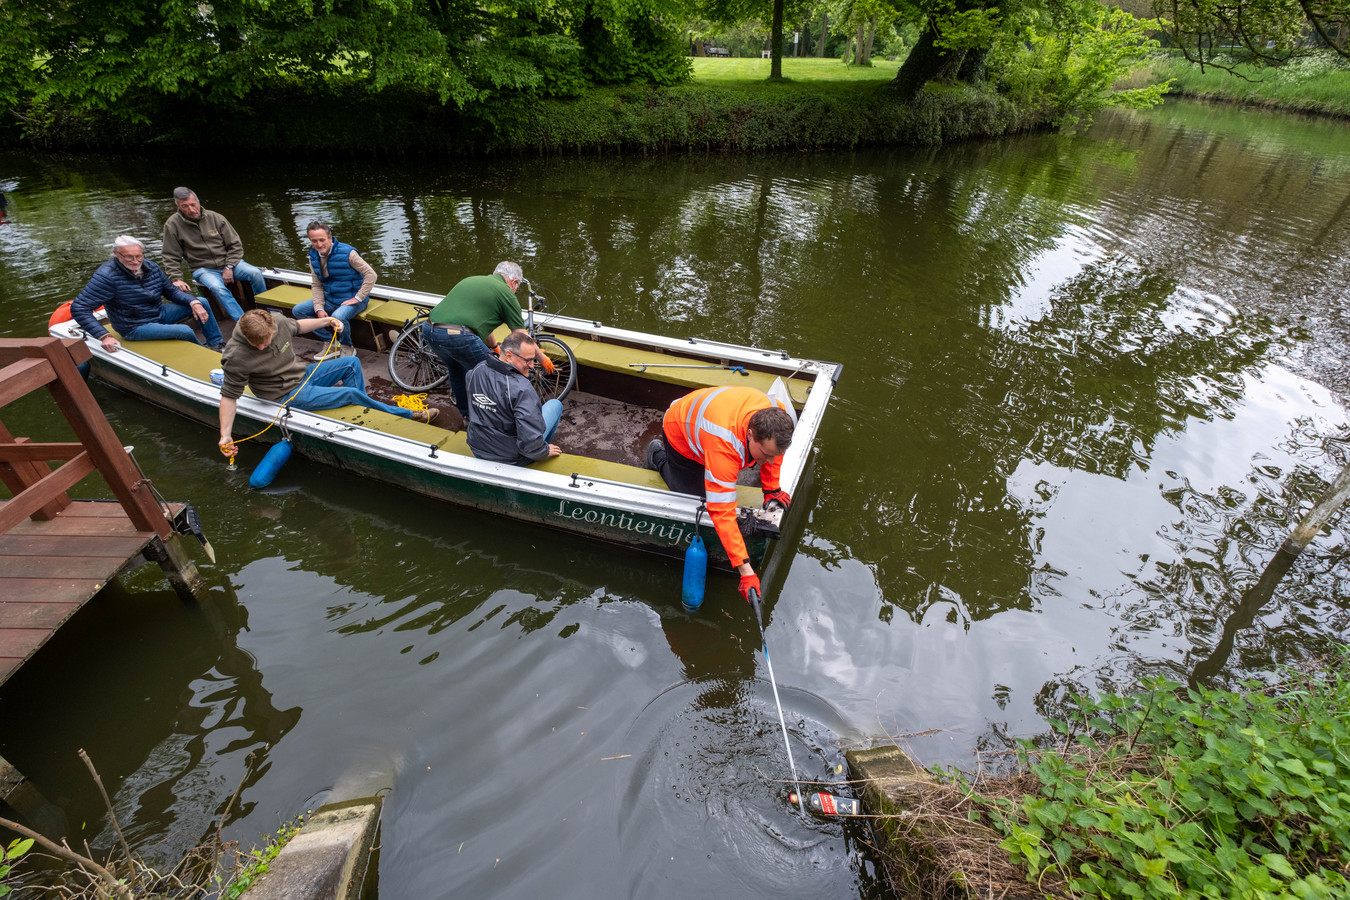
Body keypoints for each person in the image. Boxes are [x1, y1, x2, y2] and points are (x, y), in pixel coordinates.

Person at [646, 386, 795, 606]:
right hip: (680, 432)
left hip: (707, 424)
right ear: (750, 434)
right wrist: (745, 570)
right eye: (764, 454)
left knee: (740, 468)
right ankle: (657, 454)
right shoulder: (723, 443)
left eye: (774, 455)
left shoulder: (777, 416)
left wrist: (772, 489)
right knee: (694, 495)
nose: (771, 461)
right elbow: (722, 512)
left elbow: (776, 453)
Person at [218, 309, 438, 454]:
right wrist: (225, 435)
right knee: (349, 394)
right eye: (256, 346)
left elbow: (298, 326)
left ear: (273, 328)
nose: (261, 348)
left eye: (266, 343)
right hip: (283, 394)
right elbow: (229, 396)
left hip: (301, 374)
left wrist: (327, 320)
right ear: (246, 337)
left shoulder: (279, 322)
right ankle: (408, 415)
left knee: (351, 362)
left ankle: (361, 416)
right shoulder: (236, 356)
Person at [422, 261, 553, 419]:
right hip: (458, 336)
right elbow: (520, 335)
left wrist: (495, 347)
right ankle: (503, 421)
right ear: (515, 282)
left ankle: (468, 417)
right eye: (517, 287)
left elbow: (480, 325)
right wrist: (542, 358)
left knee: (456, 371)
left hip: (429, 330)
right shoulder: (506, 292)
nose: (516, 291)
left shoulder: (472, 280)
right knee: (498, 374)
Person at [72, 235, 224, 353]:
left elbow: (170, 291)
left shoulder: (150, 266)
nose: (135, 261)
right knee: (184, 330)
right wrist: (104, 336)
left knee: (201, 302)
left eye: (139, 256)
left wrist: (193, 303)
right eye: (129, 257)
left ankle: (216, 344)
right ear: (117, 254)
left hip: (156, 313)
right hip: (134, 326)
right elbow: (79, 308)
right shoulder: (106, 276)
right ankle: (204, 353)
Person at [161, 187, 268, 321]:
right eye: (185, 206)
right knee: (218, 288)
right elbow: (170, 255)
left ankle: (265, 313)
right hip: (203, 269)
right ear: (178, 206)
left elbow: (235, 245)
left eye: (193, 204)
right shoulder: (172, 225)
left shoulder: (216, 218)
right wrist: (176, 278)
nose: (191, 209)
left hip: (230, 263)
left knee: (255, 274)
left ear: (198, 202)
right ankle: (244, 322)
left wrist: (229, 266)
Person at [465, 330, 563, 465]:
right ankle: (539, 454)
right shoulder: (521, 388)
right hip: (511, 458)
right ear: (509, 356)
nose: (532, 366)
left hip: (477, 448)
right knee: (555, 404)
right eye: (528, 360)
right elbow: (529, 438)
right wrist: (543, 450)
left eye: (533, 360)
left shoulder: (476, 370)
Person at [292, 221, 376, 360]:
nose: (319, 245)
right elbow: (317, 284)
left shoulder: (348, 253)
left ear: (330, 239)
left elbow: (371, 274)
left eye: (322, 240)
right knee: (298, 310)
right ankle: (331, 343)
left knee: (338, 316)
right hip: (330, 298)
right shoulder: (313, 257)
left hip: (354, 300)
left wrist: (358, 297)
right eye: (314, 241)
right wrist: (318, 308)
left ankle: (347, 346)